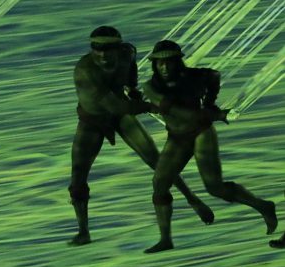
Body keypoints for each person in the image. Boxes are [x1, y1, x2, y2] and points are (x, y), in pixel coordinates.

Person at [68, 26, 212, 245]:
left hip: (118, 114)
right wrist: (149, 106)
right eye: (97, 48)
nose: (102, 53)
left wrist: (132, 87)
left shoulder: (127, 53)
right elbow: (115, 106)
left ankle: (193, 199)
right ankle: (83, 231)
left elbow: (130, 72)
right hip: (93, 119)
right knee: (78, 175)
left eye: (108, 48)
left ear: (118, 48)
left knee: (157, 161)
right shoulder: (85, 71)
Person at [144, 40, 275, 253]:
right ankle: (165, 239)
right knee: (159, 183)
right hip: (178, 136)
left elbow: (214, 76)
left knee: (215, 187)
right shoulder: (151, 87)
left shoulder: (193, 77)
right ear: (155, 65)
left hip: (201, 133)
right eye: (160, 63)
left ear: (178, 62)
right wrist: (217, 114)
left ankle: (263, 205)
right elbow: (180, 112)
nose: (164, 67)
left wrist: (210, 102)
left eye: (169, 62)